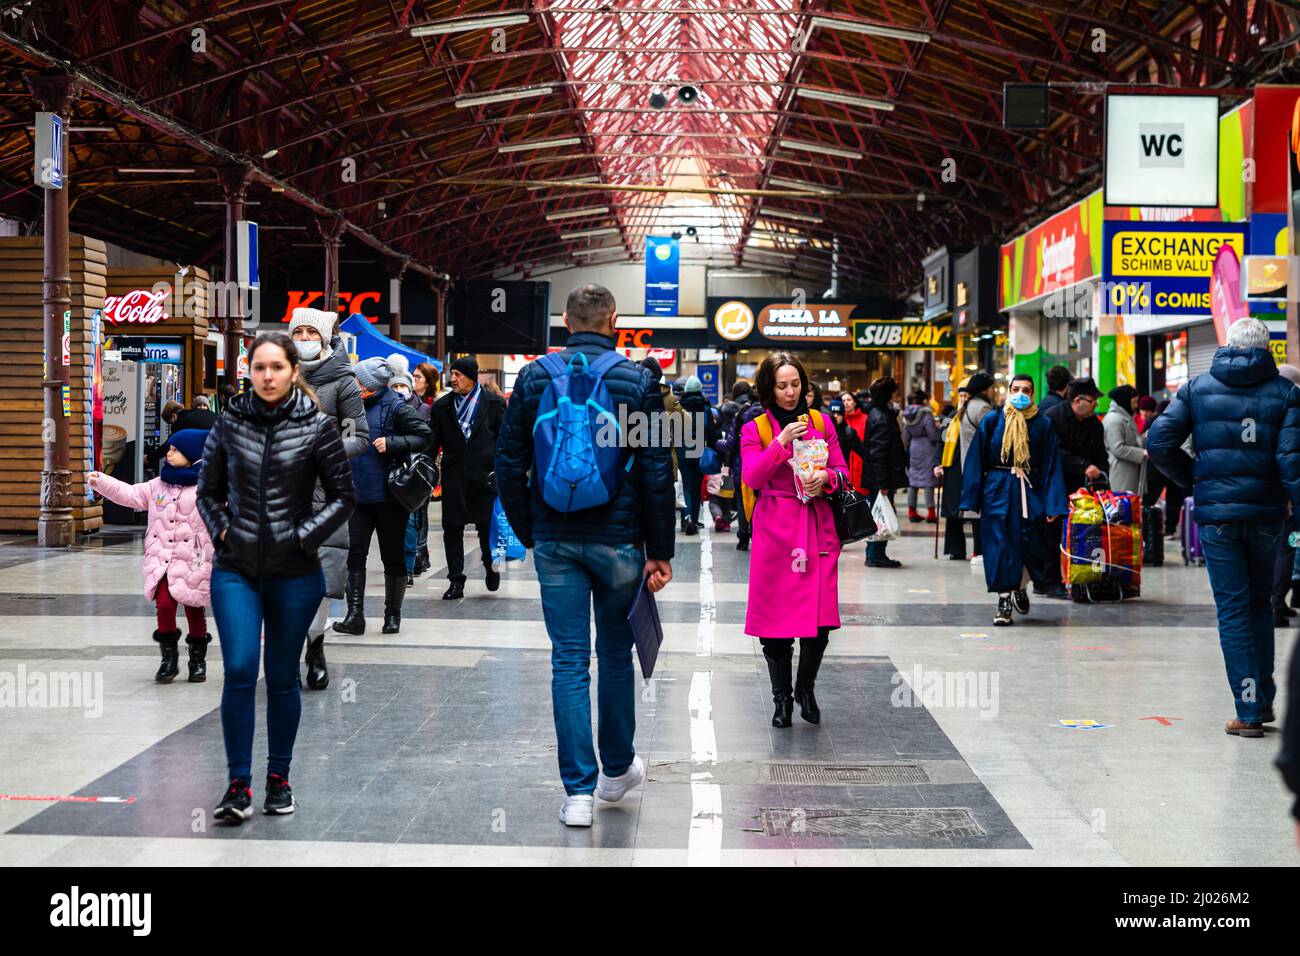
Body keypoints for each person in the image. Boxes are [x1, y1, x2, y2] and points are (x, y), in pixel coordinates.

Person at [494, 284, 675, 828]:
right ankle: (615, 771)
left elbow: (507, 463)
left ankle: (577, 793)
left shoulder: (531, 378)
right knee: (615, 654)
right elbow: (655, 469)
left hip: (554, 539)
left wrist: (531, 531)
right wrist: (660, 550)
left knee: (569, 661)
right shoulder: (640, 380)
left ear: (565, 322)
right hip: (619, 542)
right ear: (614, 321)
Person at [196, 331, 355, 822]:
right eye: (259, 367)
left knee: (283, 676)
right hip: (236, 570)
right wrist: (223, 533)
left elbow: (343, 496)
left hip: (294, 572)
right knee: (241, 669)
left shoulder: (317, 426)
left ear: (293, 372)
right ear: (248, 369)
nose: (268, 376)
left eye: (277, 367)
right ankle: (237, 785)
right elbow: (207, 491)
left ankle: (279, 780)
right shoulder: (229, 422)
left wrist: (303, 537)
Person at [1147, 318, 1300, 738]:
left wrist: (1195, 479)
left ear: (1228, 345)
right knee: (1260, 605)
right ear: (1269, 349)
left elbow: (1158, 441)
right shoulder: (1287, 393)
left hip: (1218, 521)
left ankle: (1248, 709)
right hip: (1267, 517)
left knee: (1233, 610)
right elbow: (1292, 464)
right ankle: (1261, 700)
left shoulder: (1197, 388)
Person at [740, 352, 848, 728]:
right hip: (776, 533)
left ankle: (805, 688)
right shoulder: (755, 428)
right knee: (776, 624)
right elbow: (752, 478)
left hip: (818, 528)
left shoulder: (821, 422)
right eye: (782, 386)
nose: (790, 392)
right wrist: (781, 442)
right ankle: (781, 700)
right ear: (769, 389)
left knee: (820, 623)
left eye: (795, 384)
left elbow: (842, 470)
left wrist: (828, 480)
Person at [88, 428, 213, 684]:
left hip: (195, 561)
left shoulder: (209, 487)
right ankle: (169, 658)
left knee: (194, 608)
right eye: (169, 448)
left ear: (193, 454)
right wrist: (102, 481)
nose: (169, 453)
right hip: (163, 560)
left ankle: (197, 660)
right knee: (165, 605)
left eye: (175, 449)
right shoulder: (158, 485)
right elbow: (132, 494)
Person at [290, 307, 370, 690]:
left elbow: (360, 436)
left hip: (324, 492)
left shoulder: (343, 382)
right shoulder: (274, 376)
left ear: (324, 338)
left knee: (323, 578)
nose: (303, 338)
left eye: (310, 332)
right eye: (297, 331)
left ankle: (316, 644)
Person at [332, 354, 431, 635]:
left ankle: (392, 615)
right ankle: (355, 616)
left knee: (393, 556)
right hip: (356, 496)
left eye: (358, 380)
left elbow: (424, 436)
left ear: (369, 384)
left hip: (389, 497)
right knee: (355, 555)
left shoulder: (396, 407)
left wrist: (393, 442)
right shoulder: (351, 408)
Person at [960, 373, 1068, 625]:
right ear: (1008, 391)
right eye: (1016, 389)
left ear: (1033, 394)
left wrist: (1053, 503)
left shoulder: (1042, 424)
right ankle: (1004, 600)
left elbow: (1051, 464)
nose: (1020, 394)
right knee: (999, 545)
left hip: (1030, 489)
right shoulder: (992, 420)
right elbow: (977, 460)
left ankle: (1021, 585)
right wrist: (971, 499)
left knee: (1033, 544)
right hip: (997, 489)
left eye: (1026, 390)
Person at [428, 356, 505, 600]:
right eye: (453, 374)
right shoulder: (442, 406)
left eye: (459, 374)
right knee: (452, 529)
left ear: (472, 377)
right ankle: (455, 581)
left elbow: (504, 440)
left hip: (486, 476)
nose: (453, 379)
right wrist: (427, 471)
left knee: (485, 529)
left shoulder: (493, 403)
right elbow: (433, 443)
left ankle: (490, 565)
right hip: (454, 476)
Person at [843, 376, 907, 568]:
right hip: (880, 476)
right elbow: (878, 453)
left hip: (880, 474)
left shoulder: (880, 413)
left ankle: (877, 553)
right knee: (879, 514)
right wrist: (882, 484)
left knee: (879, 512)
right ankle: (875, 554)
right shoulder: (882, 418)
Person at [1045, 377, 1107, 493]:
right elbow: (1055, 451)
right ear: (1078, 400)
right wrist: (1084, 466)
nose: (1096, 404)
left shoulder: (1095, 424)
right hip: (1059, 488)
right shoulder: (1052, 418)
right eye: (1092, 400)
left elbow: (1101, 455)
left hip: (1088, 490)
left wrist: (1102, 486)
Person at [723, 379, 763, 551]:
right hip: (764, 463)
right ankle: (758, 534)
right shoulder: (768, 414)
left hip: (742, 465)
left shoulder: (741, 413)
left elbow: (730, 443)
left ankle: (743, 537)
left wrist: (714, 444)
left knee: (741, 501)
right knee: (761, 501)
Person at [677, 375, 719, 535]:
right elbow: (712, 433)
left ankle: (687, 517)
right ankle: (693, 520)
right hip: (700, 451)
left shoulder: (679, 407)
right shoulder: (706, 408)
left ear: (686, 391)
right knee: (696, 487)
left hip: (683, 450)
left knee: (686, 486)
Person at [409, 362, 438, 577]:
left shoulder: (433, 407)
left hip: (425, 465)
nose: (414, 379)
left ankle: (420, 554)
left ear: (428, 382)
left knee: (421, 511)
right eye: (413, 375)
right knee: (414, 511)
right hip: (408, 465)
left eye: (418, 377)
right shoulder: (408, 402)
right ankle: (418, 554)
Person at [902, 390, 941, 523]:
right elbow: (932, 434)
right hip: (927, 448)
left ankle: (912, 512)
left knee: (913, 481)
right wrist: (938, 431)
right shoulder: (927, 414)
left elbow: (905, 436)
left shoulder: (907, 414)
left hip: (914, 447)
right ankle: (931, 513)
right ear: (924, 400)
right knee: (928, 481)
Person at [1102, 384, 1146, 496]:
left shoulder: (1125, 417)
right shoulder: (1114, 419)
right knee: (1122, 508)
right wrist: (1142, 453)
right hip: (1120, 475)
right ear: (1125, 401)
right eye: (1134, 402)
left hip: (1127, 473)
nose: (1136, 406)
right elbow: (1118, 448)